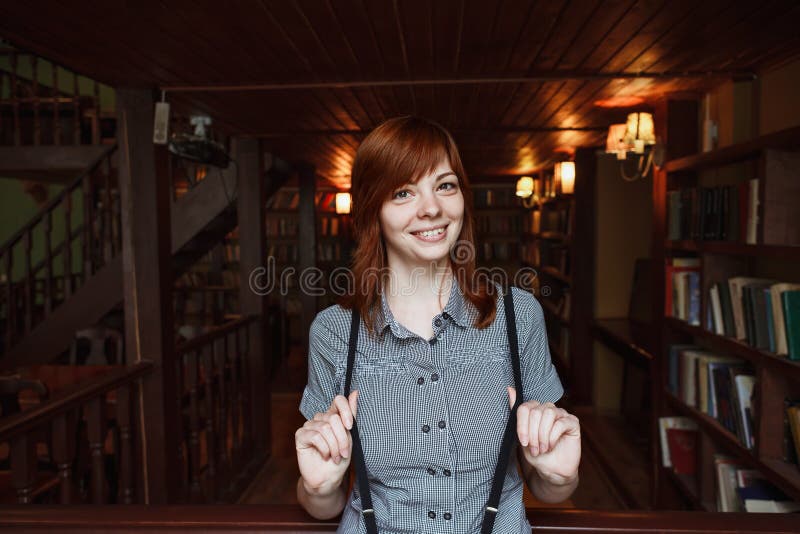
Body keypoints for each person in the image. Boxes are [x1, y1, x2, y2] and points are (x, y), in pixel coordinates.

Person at [295, 116, 581, 534]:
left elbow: (546, 485)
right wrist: (318, 489)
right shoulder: (334, 333)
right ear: (373, 209)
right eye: (403, 192)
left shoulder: (519, 317)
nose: (431, 208)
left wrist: (558, 478)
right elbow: (323, 504)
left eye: (445, 185)